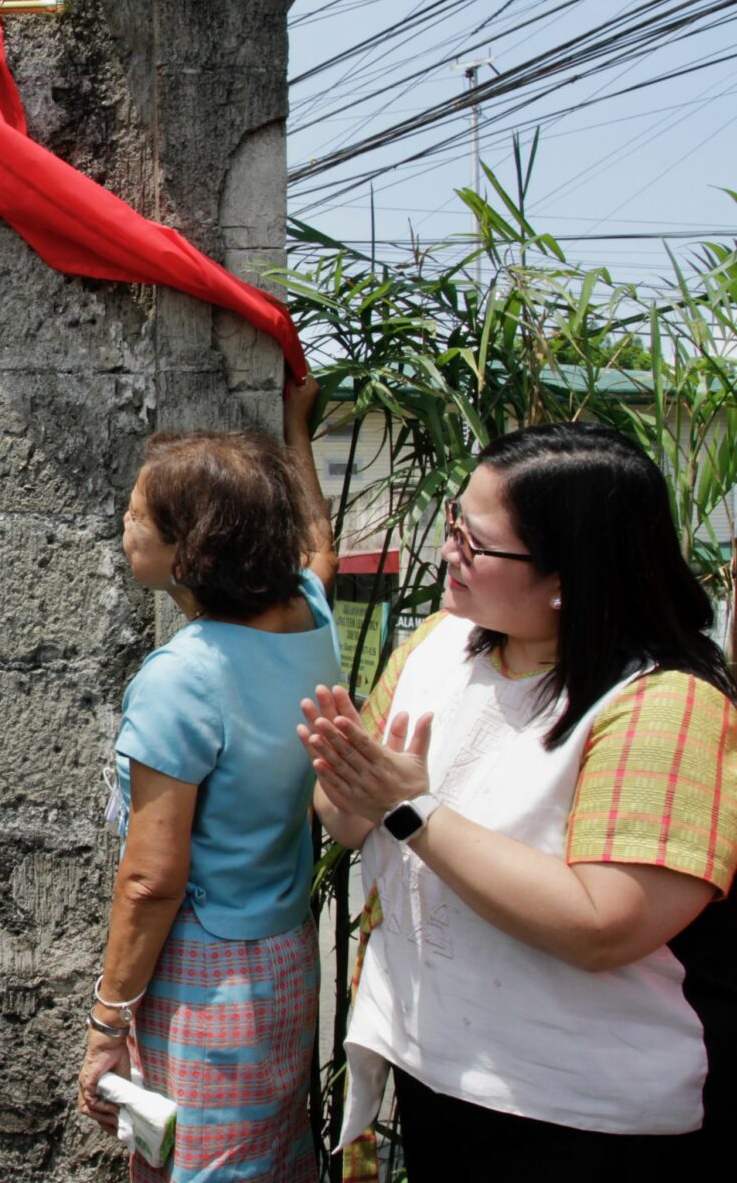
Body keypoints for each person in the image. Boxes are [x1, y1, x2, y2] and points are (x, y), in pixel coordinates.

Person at [299, 422, 736, 1180]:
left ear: (569, 573)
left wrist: (413, 812)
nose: (447, 550)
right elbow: (343, 818)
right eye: (453, 522)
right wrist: (352, 787)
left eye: (475, 542)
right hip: (436, 1066)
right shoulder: (441, 641)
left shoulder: (665, 703)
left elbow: (605, 922)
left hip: (582, 1110)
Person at [77, 377, 340, 1182]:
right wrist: (297, 427)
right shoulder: (311, 612)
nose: (122, 525)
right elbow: (319, 538)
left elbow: (153, 877)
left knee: (190, 1167)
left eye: (136, 515)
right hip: (282, 962)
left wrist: (106, 1022)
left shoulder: (185, 677)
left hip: (204, 983)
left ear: (187, 554)